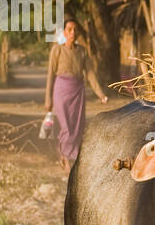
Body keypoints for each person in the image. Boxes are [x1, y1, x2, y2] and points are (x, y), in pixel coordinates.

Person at [44, 18, 109, 174]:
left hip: (78, 91)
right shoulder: (57, 50)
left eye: (75, 30)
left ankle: (66, 154)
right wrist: (48, 99)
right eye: (69, 29)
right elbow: (50, 75)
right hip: (61, 90)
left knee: (77, 127)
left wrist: (101, 94)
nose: (72, 33)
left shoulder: (82, 51)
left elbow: (90, 74)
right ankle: (66, 157)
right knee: (66, 126)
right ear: (64, 33)